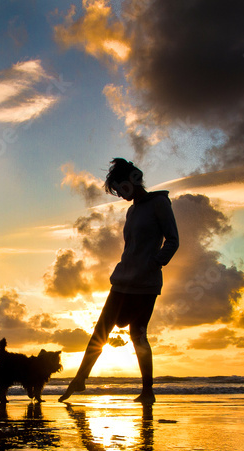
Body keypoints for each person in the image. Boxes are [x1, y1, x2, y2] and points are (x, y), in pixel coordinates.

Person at [59, 158, 179, 403]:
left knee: (138, 335)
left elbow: (173, 240)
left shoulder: (159, 203)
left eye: (121, 189)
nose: (122, 196)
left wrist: (154, 263)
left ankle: (148, 392)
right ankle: (80, 379)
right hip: (123, 280)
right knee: (100, 331)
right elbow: (131, 248)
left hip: (146, 284)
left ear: (133, 180)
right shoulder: (132, 211)